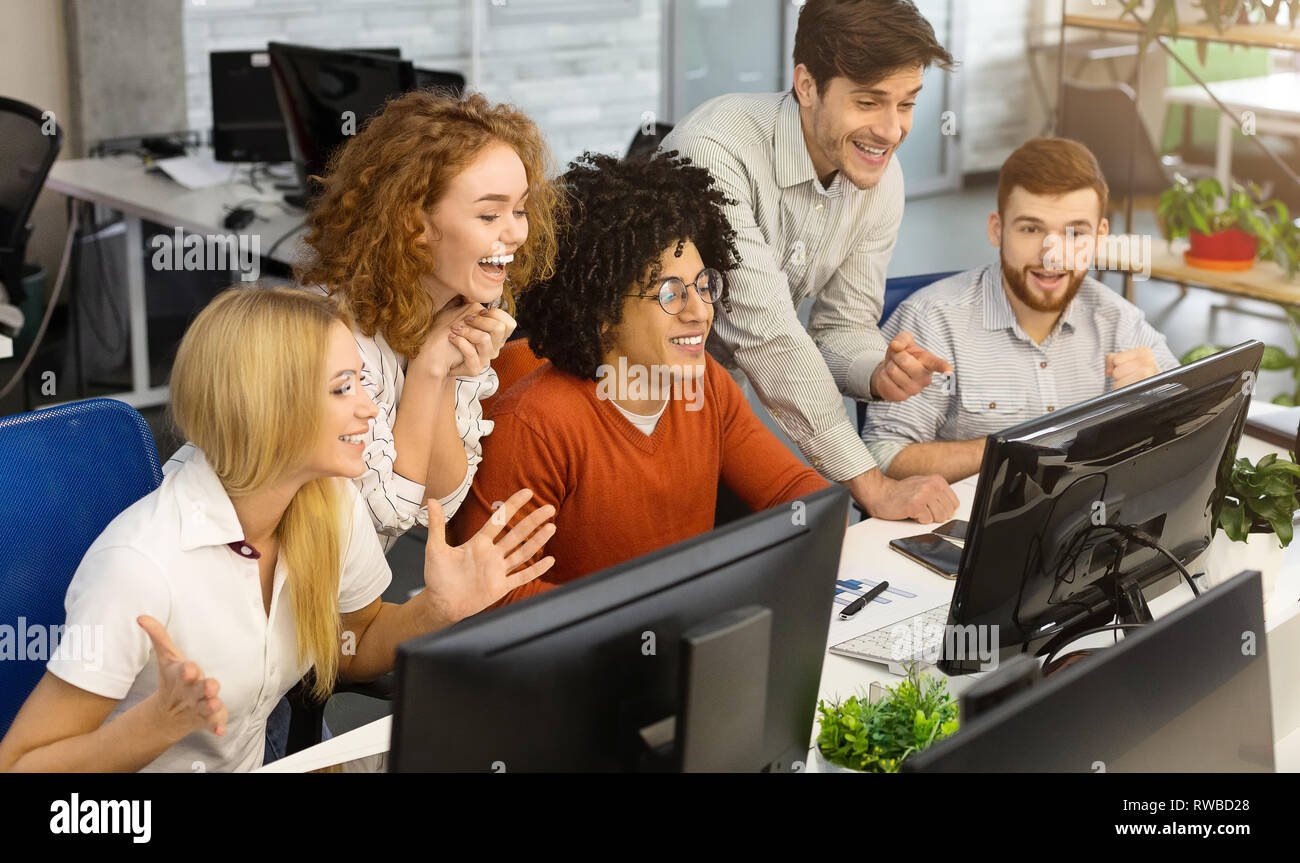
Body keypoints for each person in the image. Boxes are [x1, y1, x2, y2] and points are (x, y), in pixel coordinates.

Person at [0, 288, 555, 772]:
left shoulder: (327, 502)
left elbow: (352, 644)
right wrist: (153, 727)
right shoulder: (140, 567)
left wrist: (437, 608)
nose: (368, 409)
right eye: (343, 389)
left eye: (361, 383)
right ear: (268, 407)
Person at [454, 152, 829, 604]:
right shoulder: (536, 424)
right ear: (602, 315)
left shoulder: (704, 385)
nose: (699, 311)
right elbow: (487, 597)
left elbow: (794, 492)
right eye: (669, 293)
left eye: (703, 285)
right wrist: (637, 617)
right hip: (579, 663)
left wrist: (824, 531)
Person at [661, 0, 958, 523]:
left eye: (906, 104)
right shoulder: (713, 152)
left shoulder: (879, 177)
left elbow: (842, 325)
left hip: (713, 404)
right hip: (624, 399)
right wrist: (872, 484)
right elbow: (769, 335)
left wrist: (875, 371)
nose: (891, 131)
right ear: (806, 86)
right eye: (869, 102)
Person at [295, 90, 563, 550]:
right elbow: (388, 514)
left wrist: (441, 371)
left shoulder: (459, 311)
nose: (517, 231)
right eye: (489, 213)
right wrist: (429, 370)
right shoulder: (330, 336)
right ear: (413, 223)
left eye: (519, 209)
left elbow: (441, 503)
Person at [863, 138, 1179, 482]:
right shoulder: (931, 320)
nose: (1052, 255)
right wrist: (1015, 449)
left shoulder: (1121, 322)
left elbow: (1194, 426)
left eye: (1075, 233)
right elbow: (883, 457)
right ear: (997, 229)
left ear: (1100, 237)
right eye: (1031, 229)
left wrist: (1158, 401)